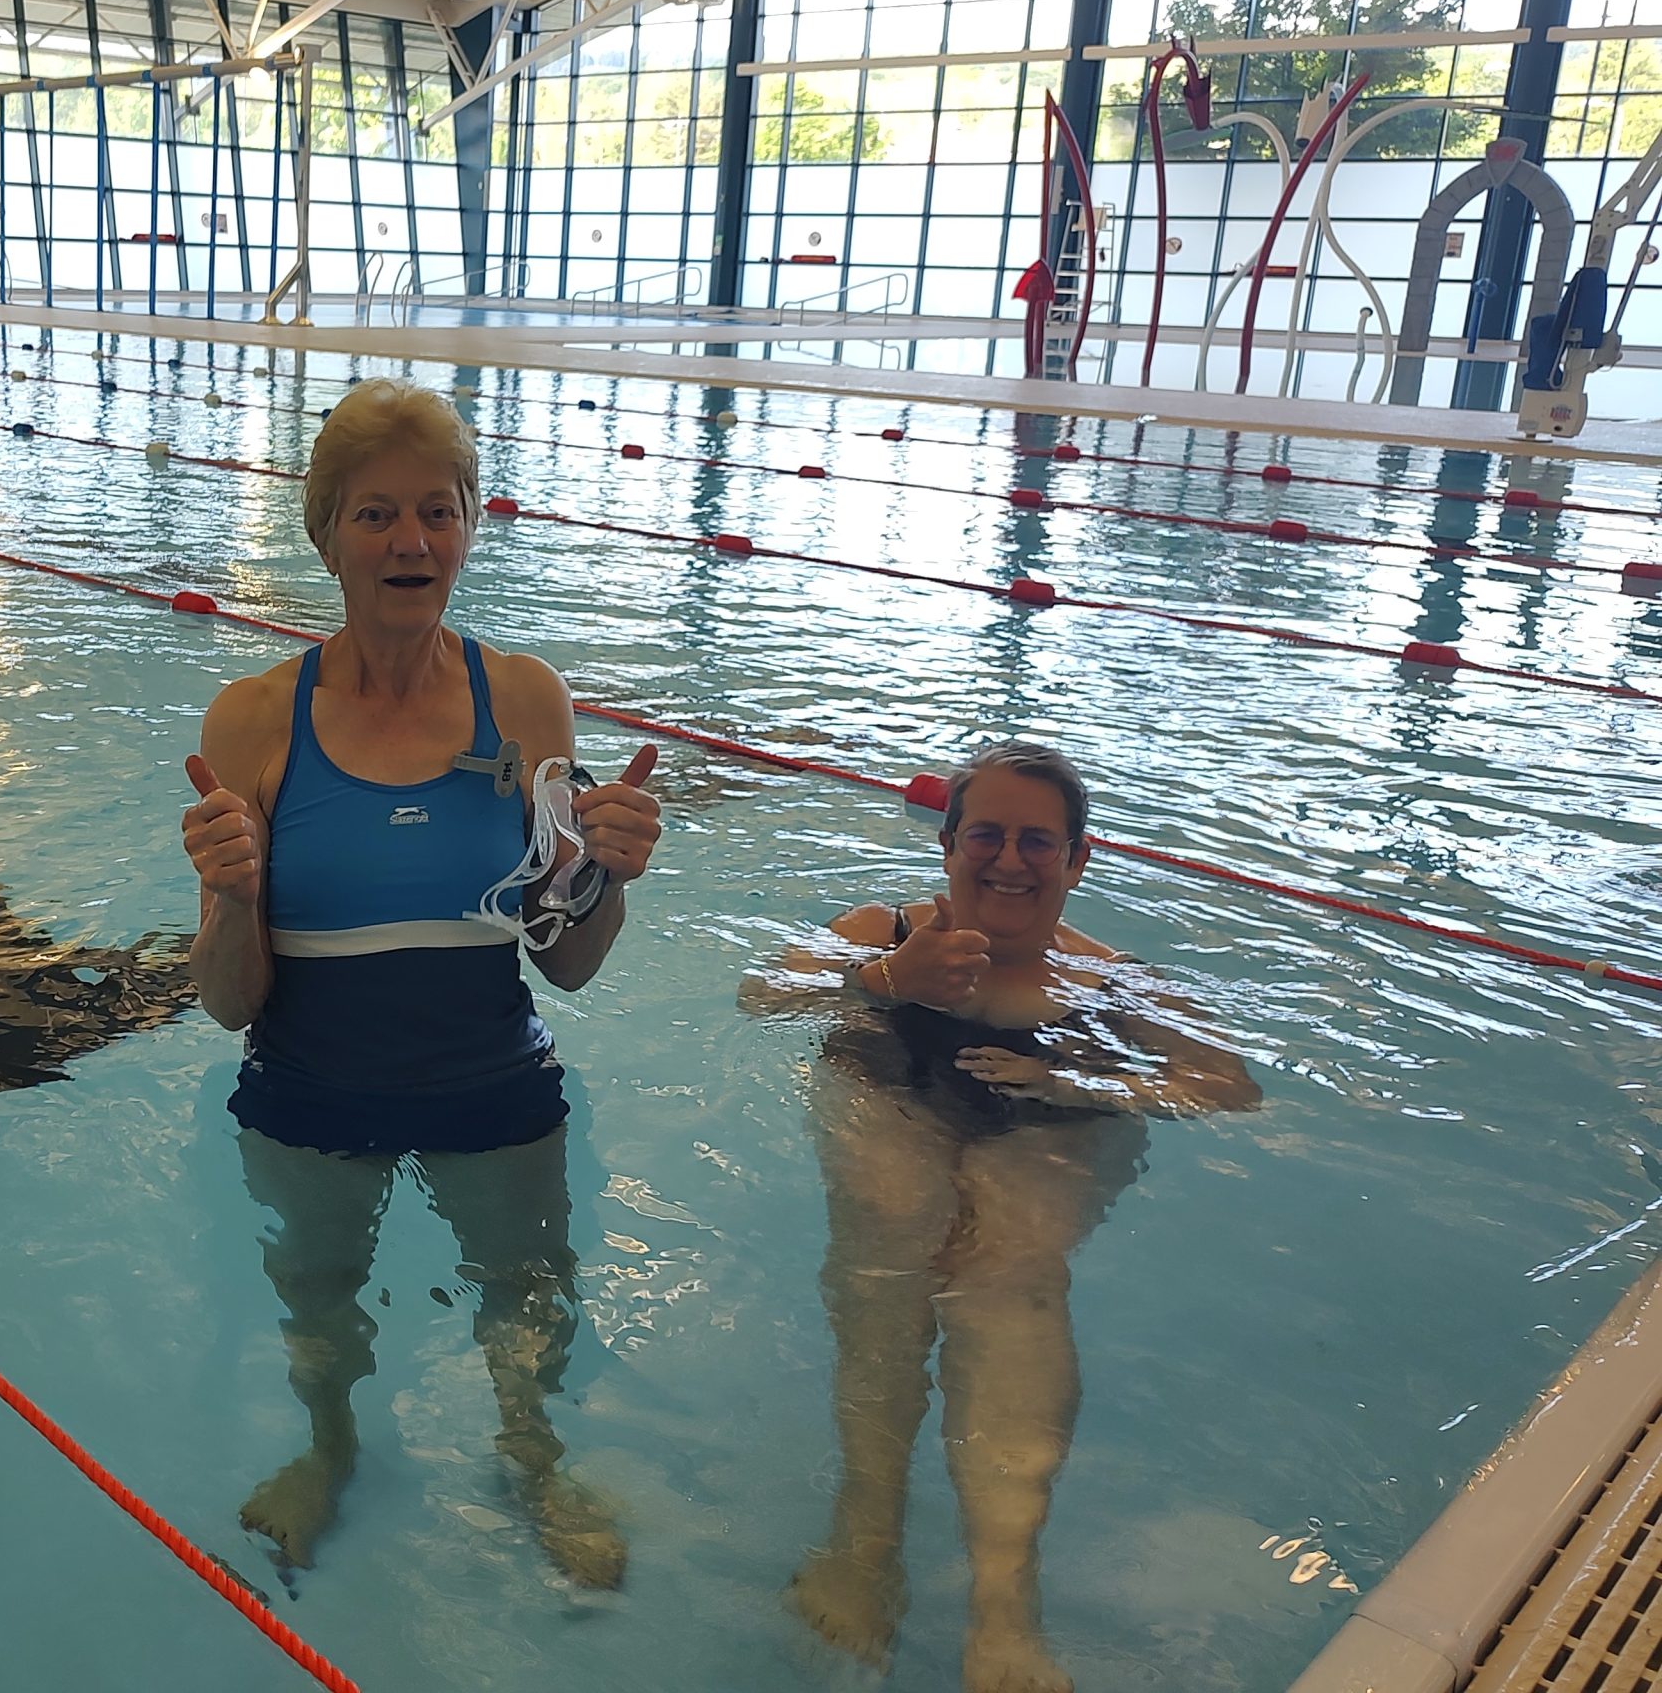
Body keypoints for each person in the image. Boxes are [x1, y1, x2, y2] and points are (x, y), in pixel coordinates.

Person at [179, 376, 662, 1588]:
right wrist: (235, 898)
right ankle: (331, 1453)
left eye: (438, 512)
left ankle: (534, 1459)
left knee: (526, 1306)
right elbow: (228, 1000)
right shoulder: (254, 719)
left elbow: (568, 960)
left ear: (469, 527)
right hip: (308, 1092)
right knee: (321, 1311)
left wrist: (608, 875)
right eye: (378, 514)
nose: (411, 541)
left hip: (492, 1086)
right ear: (327, 535)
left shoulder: (526, 697)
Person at [740, 740, 1259, 1693]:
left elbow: (1229, 1086)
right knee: (889, 1250)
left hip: (1047, 1105)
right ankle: (865, 1540)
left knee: (1009, 1275)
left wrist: (1076, 1081)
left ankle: (1004, 1603)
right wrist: (882, 980)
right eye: (986, 834)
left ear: (1078, 859)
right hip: (891, 1078)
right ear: (947, 843)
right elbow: (763, 991)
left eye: (1037, 841)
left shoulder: (1110, 983)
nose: (1010, 860)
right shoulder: (882, 927)